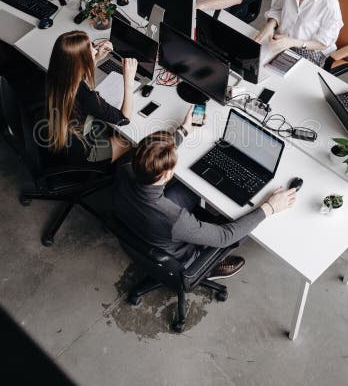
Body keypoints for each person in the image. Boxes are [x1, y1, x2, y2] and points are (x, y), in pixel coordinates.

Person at [113, 107, 297, 279]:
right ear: (167, 174)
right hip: (180, 256)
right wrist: (270, 207)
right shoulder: (175, 220)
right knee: (245, 223)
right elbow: (225, 236)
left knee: (190, 186)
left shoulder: (125, 166)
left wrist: (184, 130)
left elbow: (151, 153)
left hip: (139, 228)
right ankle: (209, 268)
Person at [45, 30, 138, 163]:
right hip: (83, 150)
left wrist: (96, 58)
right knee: (129, 141)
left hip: (62, 134)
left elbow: (79, 76)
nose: (95, 50)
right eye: (92, 49)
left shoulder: (56, 74)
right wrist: (129, 81)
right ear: (81, 61)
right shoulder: (87, 97)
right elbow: (124, 119)